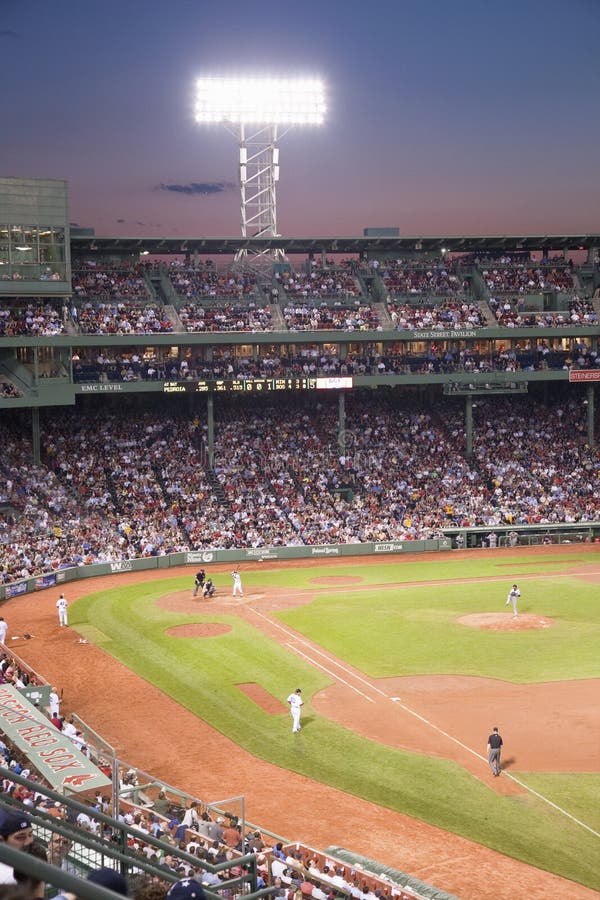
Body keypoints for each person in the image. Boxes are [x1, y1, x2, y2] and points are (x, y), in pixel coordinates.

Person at [0, 810, 34, 884]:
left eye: (30, 835)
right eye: (20, 837)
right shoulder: (10, 877)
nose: (29, 842)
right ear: (1, 841)